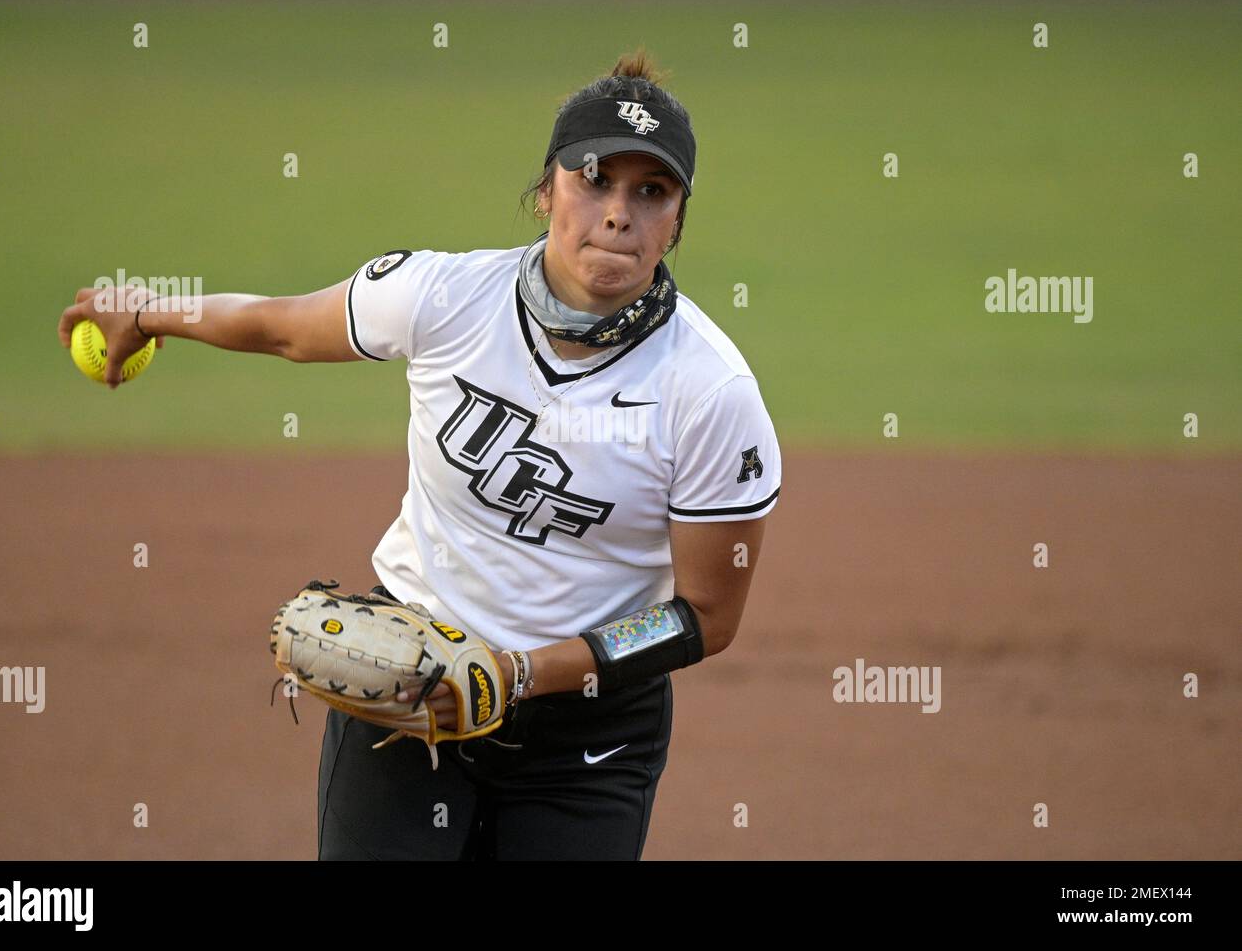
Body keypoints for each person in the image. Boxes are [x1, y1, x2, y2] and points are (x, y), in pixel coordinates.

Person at [57, 49, 781, 860]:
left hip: (590, 742)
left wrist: (516, 673)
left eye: (652, 191)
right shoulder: (442, 297)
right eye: (593, 178)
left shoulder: (710, 392)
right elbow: (283, 325)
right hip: (406, 691)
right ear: (547, 190)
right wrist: (151, 309)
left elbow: (703, 617)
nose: (618, 213)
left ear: (678, 216)